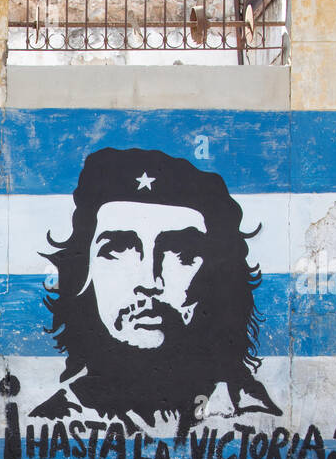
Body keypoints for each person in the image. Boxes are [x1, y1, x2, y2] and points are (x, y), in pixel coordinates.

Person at [29, 147, 281, 441]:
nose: (149, 280)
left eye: (182, 252)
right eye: (117, 249)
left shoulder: (255, 419)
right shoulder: (55, 423)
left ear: (222, 278)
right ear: (83, 274)